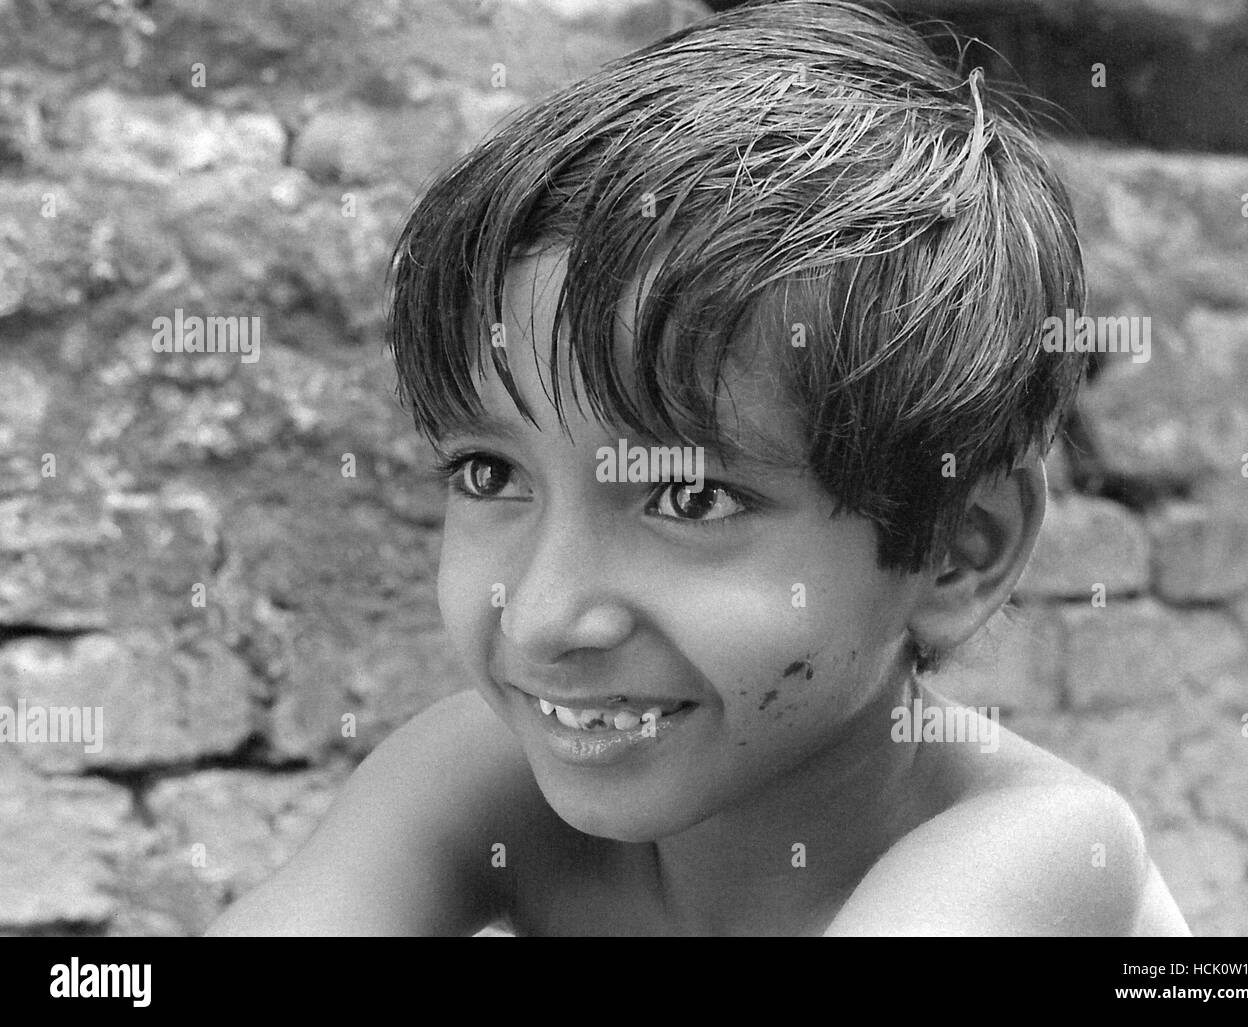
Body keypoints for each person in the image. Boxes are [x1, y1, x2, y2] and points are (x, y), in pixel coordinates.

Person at [207, 0, 1190, 936]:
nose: (543, 618)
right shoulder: (480, 776)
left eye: (690, 495)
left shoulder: (1039, 847)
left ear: (954, 550)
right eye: (487, 475)